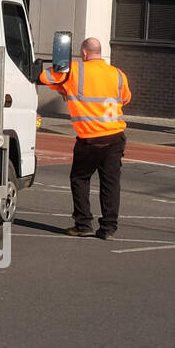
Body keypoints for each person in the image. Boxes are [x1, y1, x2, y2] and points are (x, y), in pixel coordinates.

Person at [39, 38, 131, 240]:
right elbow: (125, 98)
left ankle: (83, 224)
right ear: (101, 52)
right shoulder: (118, 74)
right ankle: (108, 229)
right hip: (115, 136)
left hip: (89, 138)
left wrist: (62, 82)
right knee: (111, 184)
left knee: (80, 179)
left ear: (84, 53)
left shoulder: (73, 70)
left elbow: (44, 77)